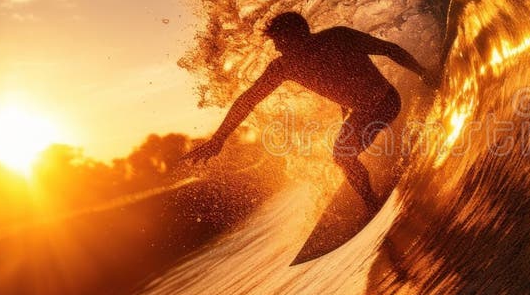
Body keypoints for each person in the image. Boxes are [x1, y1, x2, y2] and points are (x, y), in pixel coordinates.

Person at [182, 11, 438, 212]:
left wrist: (423, 73)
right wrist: (219, 138)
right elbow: (248, 100)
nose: (278, 49)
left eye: (280, 42)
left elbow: (389, 49)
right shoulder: (284, 67)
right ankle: (379, 190)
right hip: (362, 111)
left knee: (342, 155)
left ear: (297, 36)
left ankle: (372, 203)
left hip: (385, 101)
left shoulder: (339, 37)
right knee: (343, 155)